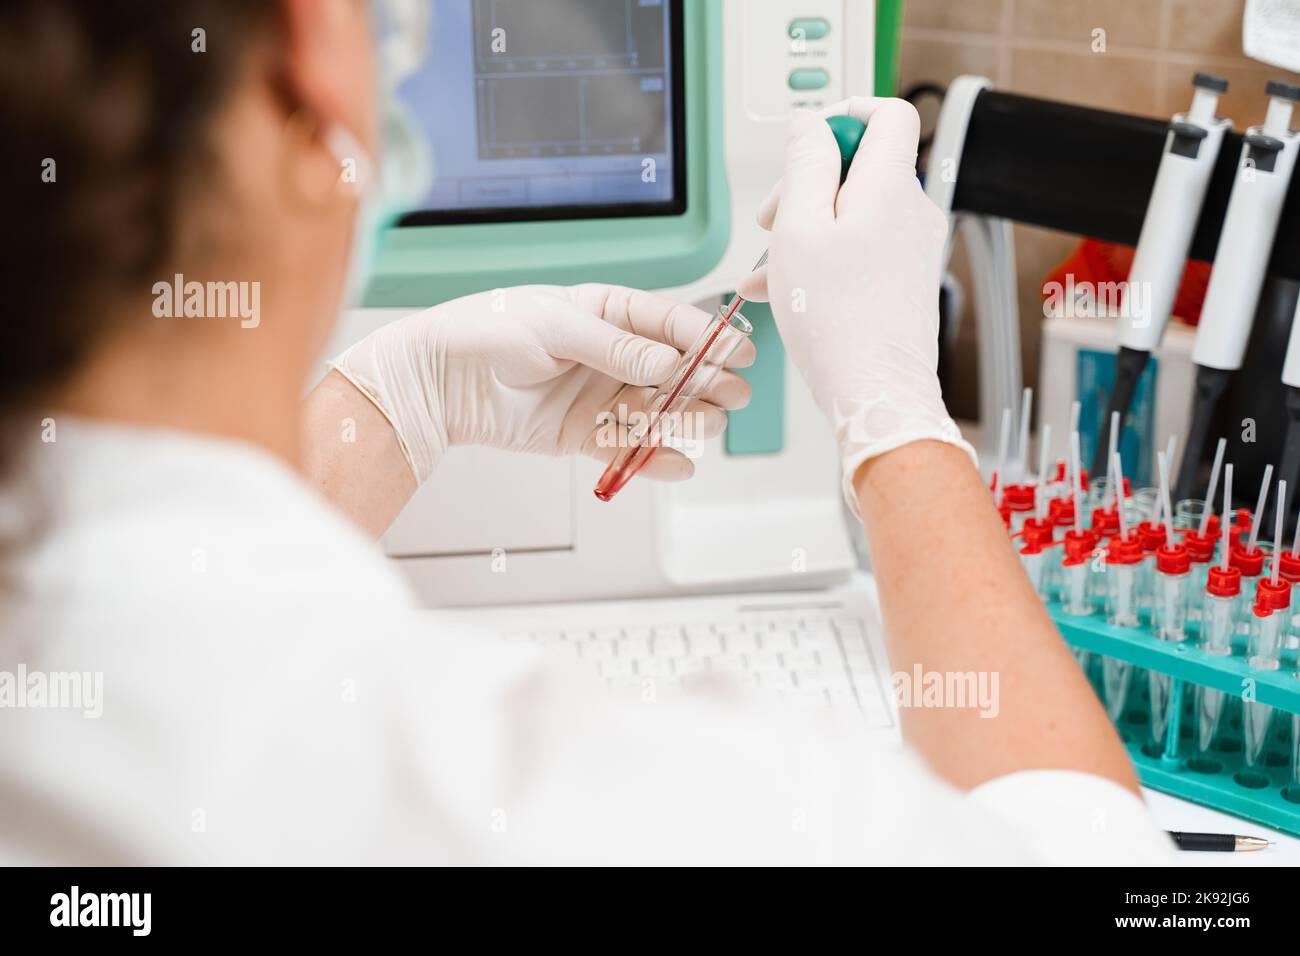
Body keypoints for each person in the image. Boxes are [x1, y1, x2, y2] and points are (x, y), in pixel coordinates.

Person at [0, 0, 1175, 864]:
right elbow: (1099, 862)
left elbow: (155, 595)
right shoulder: (585, 801)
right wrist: (894, 418)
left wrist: (395, 403)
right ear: (312, 60)